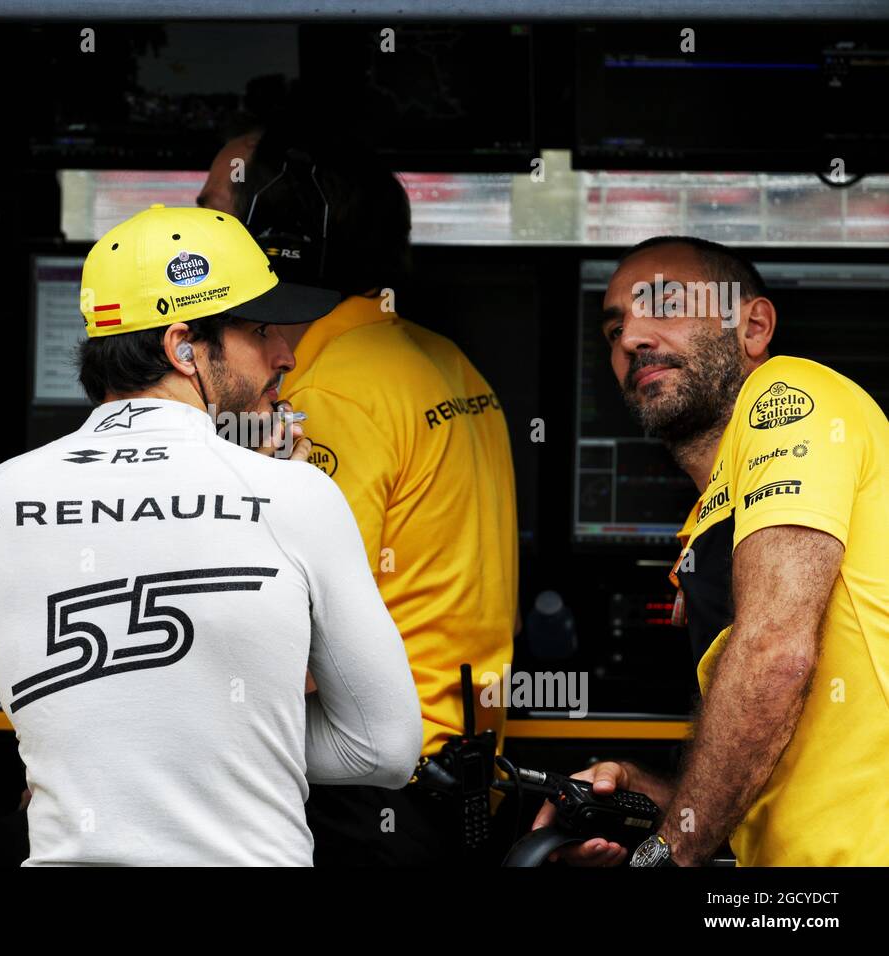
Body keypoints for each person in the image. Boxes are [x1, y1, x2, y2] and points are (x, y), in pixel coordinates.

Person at [0, 205, 422, 865]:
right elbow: (386, 747)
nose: (287, 353)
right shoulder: (293, 493)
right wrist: (226, 746)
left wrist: (131, 755)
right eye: (261, 330)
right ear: (182, 348)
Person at [199, 118, 519, 865]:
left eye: (215, 211)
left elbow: (292, 625)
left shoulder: (324, 387)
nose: (195, 230)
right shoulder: (444, 361)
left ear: (274, 239)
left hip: (360, 790)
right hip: (454, 777)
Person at [537, 236, 889, 866]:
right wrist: (644, 795)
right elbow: (765, 777)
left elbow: (775, 656)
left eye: (664, 305)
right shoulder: (712, 515)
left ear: (753, 327)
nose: (630, 338)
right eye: (614, 327)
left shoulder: (790, 397)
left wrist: (667, 855)